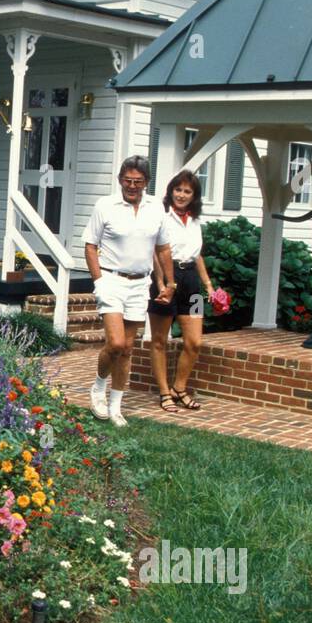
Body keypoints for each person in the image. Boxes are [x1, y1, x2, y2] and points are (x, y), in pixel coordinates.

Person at [83, 156, 174, 426]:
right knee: (116, 343)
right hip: (111, 280)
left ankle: (115, 406)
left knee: (128, 349)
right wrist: (98, 280)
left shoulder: (156, 207)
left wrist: (169, 284)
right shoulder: (105, 205)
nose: (131, 186)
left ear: (146, 182)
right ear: (120, 179)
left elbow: (163, 248)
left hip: (140, 283)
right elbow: (90, 245)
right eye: (127, 180)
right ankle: (98, 388)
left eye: (137, 182)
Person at [147, 169, 217, 412]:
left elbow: (197, 255)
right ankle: (165, 393)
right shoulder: (161, 216)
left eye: (187, 191)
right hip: (167, 279)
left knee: (195, 341)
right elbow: (156, 252)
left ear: (194, 195)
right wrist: (162, 284)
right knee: (159, 340)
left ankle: (180, 388)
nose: (182, 194)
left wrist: (208, 285)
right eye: (178, 189)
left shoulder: (195, 219)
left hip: (192, 285)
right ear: (171, 191)